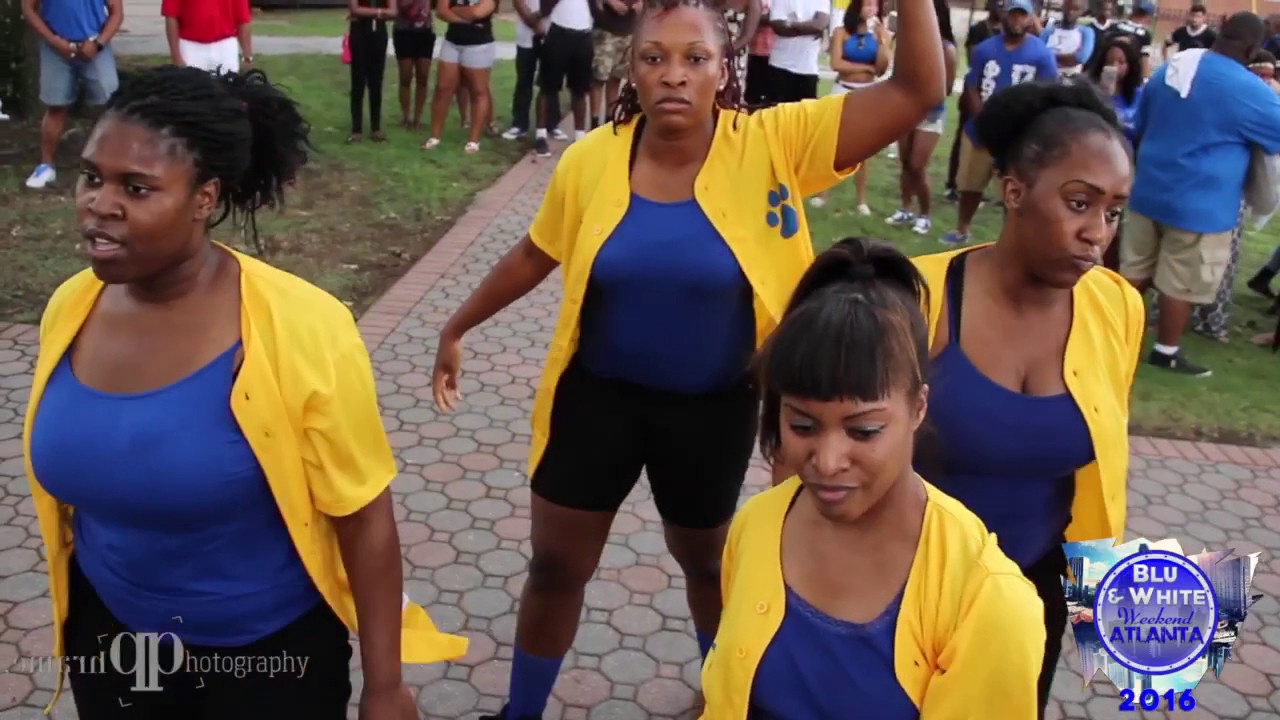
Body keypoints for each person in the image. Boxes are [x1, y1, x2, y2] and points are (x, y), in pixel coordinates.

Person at [429, 0, 946, 715]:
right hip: (596, 402)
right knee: (554, 567)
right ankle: (520, 711)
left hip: (714, 408)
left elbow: (918, 91)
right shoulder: (591, 161)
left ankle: (725, 702)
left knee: (710, 564)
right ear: (631, 71)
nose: (674, 75)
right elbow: (533, 252)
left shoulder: (775, 143)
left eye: (695, 59)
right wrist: (457, 325)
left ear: (723, 68)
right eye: (654, 58)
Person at [22, 65, 467, 720]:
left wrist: (385, 683)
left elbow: (365, 517)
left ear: (205, 197)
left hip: (266, 661)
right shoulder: (71, 308)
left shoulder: (304, 328)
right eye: (92, 177)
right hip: (113, 642)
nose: (99, 204)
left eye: (136, 187)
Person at [700, 238, 1046, 719]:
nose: (826, 460)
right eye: (802, 425)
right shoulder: (756, 526)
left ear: (918, 408)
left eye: (863, 430)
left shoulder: (987, 602)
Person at [911, 80, 1143, 718]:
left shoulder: (1117, 306)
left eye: (1114, 211)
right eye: (1078, 202)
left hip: (1030, 590)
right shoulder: (918, 297)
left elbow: (1100, 458)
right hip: (903, 583)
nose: (1097, 233)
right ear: (1014, 191)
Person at [1122, 12, 1280, 377]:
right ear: (1253, 48)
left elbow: (1141, 124)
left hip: (1147, 189)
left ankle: (1107, 333)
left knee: (1134, 272)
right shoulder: (1250, 90)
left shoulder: (1172, 69)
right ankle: (1166, 351)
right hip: (1201, 205)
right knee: (1182, 281)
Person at [942, 0, 1056, 246]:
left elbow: (1048, 95)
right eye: (1013, 15)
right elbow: (972, 87)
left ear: (1029, 19)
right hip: (981, 131)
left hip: (1018, 136)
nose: (1016, 20)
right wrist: (985, 120)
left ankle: (1010, 239)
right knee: (970, 185)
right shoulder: (984, 49)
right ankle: (962, 229)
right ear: (1004, 15)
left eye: (1021, 16)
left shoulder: (1042, 53)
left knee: (1014, 191)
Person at [20, 0, 123, 190]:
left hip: (95, 45)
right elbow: (28, 9)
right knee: (56, 105)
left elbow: (116, 13)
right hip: (55, 47)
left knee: (107, 105)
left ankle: (107, 163)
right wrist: (54, 41)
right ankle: (46, 166)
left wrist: (98, 44)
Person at [811, 0, 889, 214]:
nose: (872, 9)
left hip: (867, 93)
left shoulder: (878, 35)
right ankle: (821, 192)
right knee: (831, 142)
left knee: (863, 148)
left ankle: (861, 199)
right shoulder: (841, 32)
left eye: (875, 6)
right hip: (842, 89)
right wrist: (866, 66)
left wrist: (883, 42)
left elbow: (881, 69)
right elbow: (837, 64)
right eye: (868, 5)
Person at [885, 0, 954, 235]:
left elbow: (946, 90)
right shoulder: (904, 43)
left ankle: (925, 215)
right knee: (905, 163)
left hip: (931, 114)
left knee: (917, 165)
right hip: (906, 109)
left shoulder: (946, 49)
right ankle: (905, 208)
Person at [945, 0, 1002, 201]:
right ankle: (953, 183)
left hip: (995, 97)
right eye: (998, 4)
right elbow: (974, 59)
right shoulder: (979, 29)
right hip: (974, 93)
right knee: (963, 139)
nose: (1001, 7)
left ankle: (978, 187)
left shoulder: (1006, 33)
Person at [424, 0, 497, 152]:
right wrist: (467, 20)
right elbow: (441, 11)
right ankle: (435, 136)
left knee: (478, 91)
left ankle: (473, 140)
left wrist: (455, 9)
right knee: (443, 88)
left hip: (479, 44)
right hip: (452, 42)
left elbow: (479, 12)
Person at [532, 0, 595, 156]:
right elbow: (545, 7)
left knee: (580, 90)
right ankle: (540, 135)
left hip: (584, 34)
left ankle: (579, 138)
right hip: (559, 32)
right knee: (547, 87)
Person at [501, 0, 567, 140]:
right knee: (524, 79)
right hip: (526, 35)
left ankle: (552, 124)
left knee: (551, 82)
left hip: (552, 33)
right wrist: (533, 23)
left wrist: (540, 20)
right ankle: (520, 124)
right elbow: (518, 3)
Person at [346, 0, 393, 143]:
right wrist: (380, 12)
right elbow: (354, 9)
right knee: (358, 80)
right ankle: (356, 129)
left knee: (376, 81)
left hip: (378, 31)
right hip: (359, 31)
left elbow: (394, 12)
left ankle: (376, 128)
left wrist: (367, 12)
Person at [589, 0, 640, 129]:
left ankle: (609, 122)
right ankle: (594, 124)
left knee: (616, 78)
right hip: (606, 31)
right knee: (598, 79)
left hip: (628, 31)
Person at [162, 0, 252, 73]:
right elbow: (171, 15)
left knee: (228, 91)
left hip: (225, 47)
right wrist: (176, 56)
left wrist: (247, 55)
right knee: (191, 92)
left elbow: (242, 17)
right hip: (190, 47)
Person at [764, 0, 828, 103]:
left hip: (808, 69)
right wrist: (810, 29)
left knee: (804, 116)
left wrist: (790, 24)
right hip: (780, 66)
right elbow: (779, 27)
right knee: (777, 115)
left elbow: (819, 25)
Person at [392, 0, 436, 131]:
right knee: (405, 77)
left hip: (425, 31)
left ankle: (418, 118)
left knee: (423, 77)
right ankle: (406, 118)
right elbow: (401, 6)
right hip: (404, 31)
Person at [1041, 0, 1094, 75]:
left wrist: (1051, 56)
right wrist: (1069, 58)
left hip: (1071, 79)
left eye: (1076, 9)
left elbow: (1081, 58)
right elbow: (1040, 54)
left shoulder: (1086, 32)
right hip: (1046, 77)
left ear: (1082, 12)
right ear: (1063, 7)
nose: (1070, 12)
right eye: (1068, 7)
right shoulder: (1049, 31)